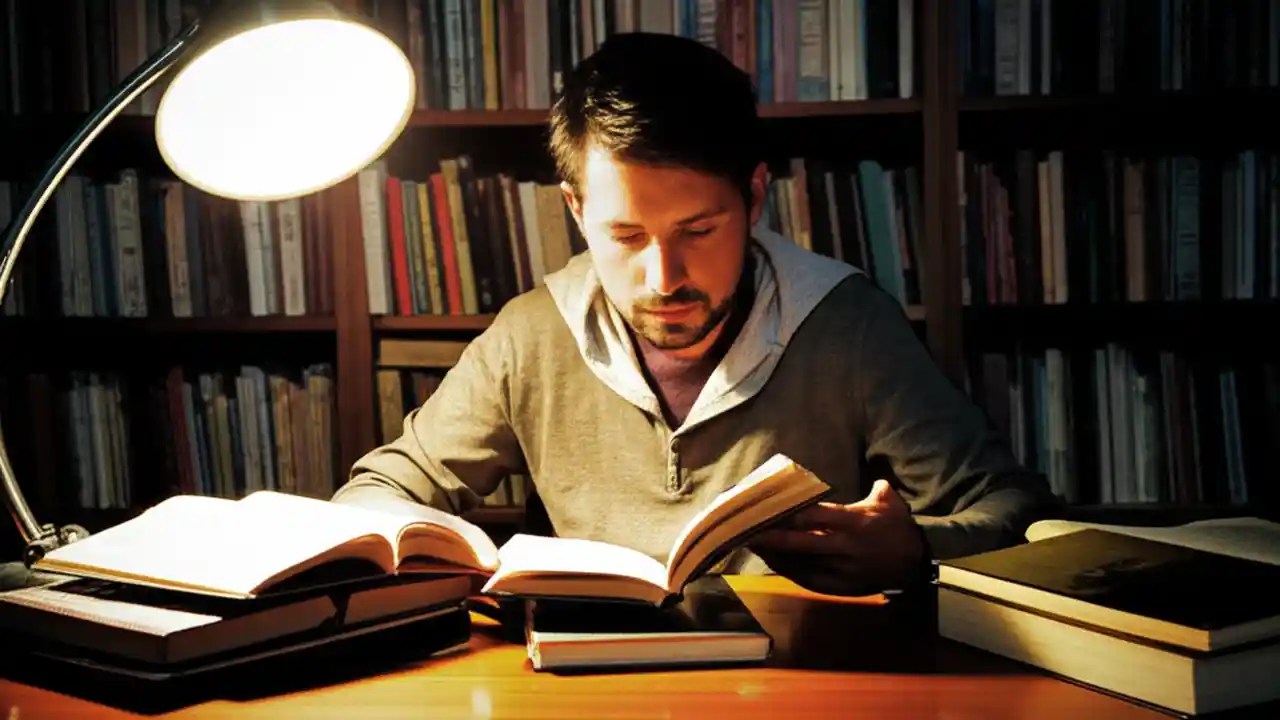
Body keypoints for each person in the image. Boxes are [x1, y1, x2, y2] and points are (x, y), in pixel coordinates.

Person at [332, 32, 1059, 597]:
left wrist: (916, 550)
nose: (663, 277)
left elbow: (1015, 511)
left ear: (754, 196)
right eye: (624, 237)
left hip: (791, 685)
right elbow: (379, 490)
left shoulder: (848, 324)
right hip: (581, 687)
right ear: (576, 209)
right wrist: (430, 548)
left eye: (699, 231)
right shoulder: (531, 334)